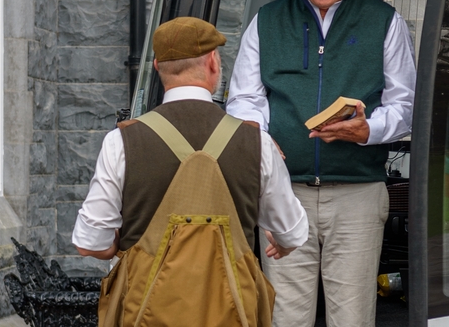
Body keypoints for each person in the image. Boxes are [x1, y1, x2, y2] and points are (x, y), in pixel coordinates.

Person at [227, 0, 416, 327]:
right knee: (286, 317)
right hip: (282, 193)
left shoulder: (385, 21)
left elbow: (406, 108)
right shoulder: (267, 21)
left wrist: (368, 130)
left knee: (352, 318)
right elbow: (243, 99)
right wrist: (257, 134)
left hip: (358, 195)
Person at [72, 16, 308, 269]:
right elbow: (292, 233)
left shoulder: (121, 141)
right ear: (213, 63)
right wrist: (281, 242)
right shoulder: (256, 142)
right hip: (228, 306)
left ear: (156, 65)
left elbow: (91, 243)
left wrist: (120, 243)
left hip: (145, 306)